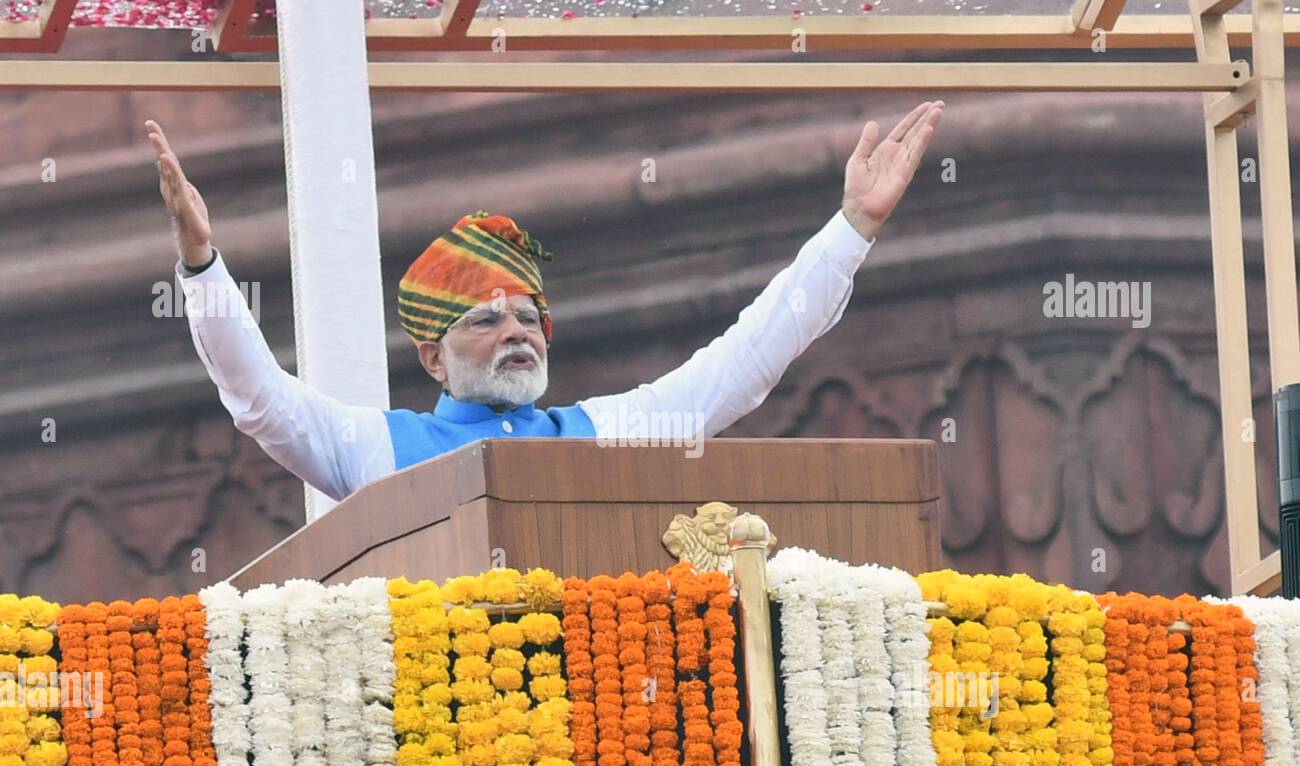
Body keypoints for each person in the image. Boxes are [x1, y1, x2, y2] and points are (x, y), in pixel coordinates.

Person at [146, 101, 943, 503]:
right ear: (433, 356)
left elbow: (743, 362)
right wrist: (201, 263)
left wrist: (852, 229)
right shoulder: (377, 450)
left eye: (528, 316)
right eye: (486, 319)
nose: (516, 332)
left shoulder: (604, 433)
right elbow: (258, 398)